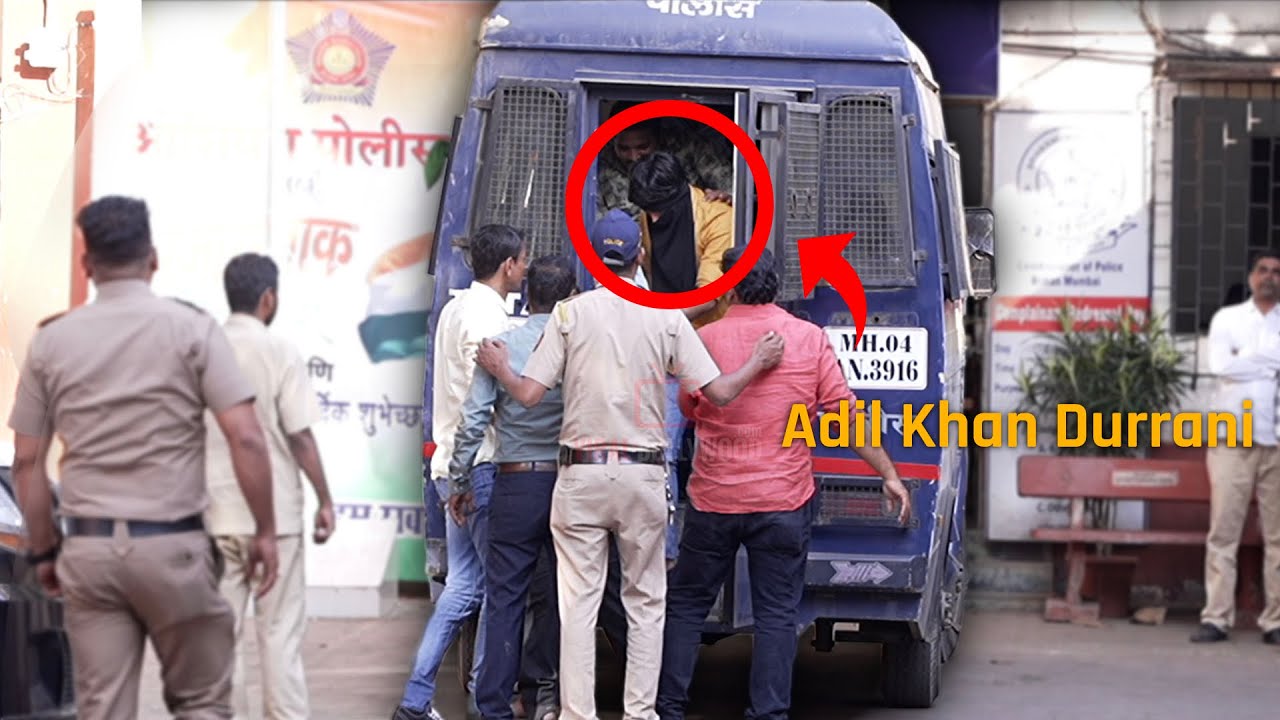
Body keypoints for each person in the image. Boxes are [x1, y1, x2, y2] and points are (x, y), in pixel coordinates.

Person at [475, 209, 785, 720]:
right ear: (640, 254)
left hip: (580, 476)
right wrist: (756, 362)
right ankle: (640, 714)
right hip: (643, 478)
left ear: (594, 259)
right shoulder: (664, 315)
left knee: (577, 604)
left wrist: (502, 369)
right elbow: (720, 394)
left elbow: (529, 394)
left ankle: (578, 715)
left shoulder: (569, 315)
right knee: (645, 604)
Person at [7, 195, 279, 720]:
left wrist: (43, 552)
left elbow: (25, 464)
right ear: (152, 258)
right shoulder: (193, 330)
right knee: (201, 703)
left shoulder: (50, 342)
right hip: (174, 549)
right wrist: (265, 530)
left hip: (89, 552)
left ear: (88, 264)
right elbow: (247, 437)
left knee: (102, 709)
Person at [656, 246, 911, 719]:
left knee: (688, 606)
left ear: (728, 286)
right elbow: (848, 419)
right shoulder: (808, 339)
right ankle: (768, 713)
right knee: (777, 616)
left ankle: (669, 709)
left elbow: (690, 410)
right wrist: (889, 475)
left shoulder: (703, 338)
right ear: (778, 286)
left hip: (714, 500)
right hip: (782, 503)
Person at [395, 224, 529, 720]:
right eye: (522, 260)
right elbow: (486, 403)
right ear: (508, 266)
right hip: (481, 469)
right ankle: (484, 695)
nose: (525, 268)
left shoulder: (454, 308)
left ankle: (416, 698)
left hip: (451, 466)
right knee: (499, 587)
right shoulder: (487, 321)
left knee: (465, 585)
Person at [203, 252, 337, 720]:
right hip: (274, 519)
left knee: (219, 640)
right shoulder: (280, 350)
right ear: (268, 298)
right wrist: (324, 499)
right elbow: (300, 436)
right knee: (280, 636)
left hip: (214, 517)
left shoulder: (204, 348)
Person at [447, 254, 578, 720]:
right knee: (564, 597)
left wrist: (460, 480)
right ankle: (550, 695)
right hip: (569, 484)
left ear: (528, 295)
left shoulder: (499, 346)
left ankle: (494, 706)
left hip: (515, 483)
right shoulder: (580, 346)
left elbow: (473, 421)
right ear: (572, 299)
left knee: (505, 599)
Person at [1193, 251, 1280, 645]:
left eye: (1277, 271)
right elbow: (1220, 366)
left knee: (1278, 538)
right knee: (1223, 533)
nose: (1269, 277)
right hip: (1232, 441)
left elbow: (1236, 364)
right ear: (1250, 277)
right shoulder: (1227, 319)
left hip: (1276, 443)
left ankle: (1275, 622)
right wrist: (1270, 363)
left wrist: (1245, 359)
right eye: (1263, 270)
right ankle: (1216, 618)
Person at [596, 105, 734, 221]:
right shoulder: (599, 163)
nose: (633, 157)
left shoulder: (689, 147)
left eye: (643, 147)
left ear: (658, 137)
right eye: (623, 149)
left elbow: (731, 188)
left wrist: (725, 197)